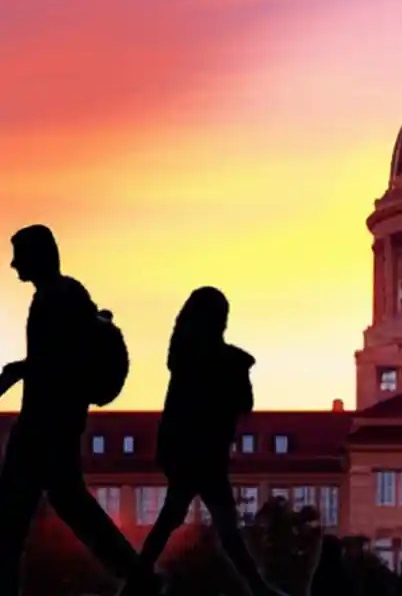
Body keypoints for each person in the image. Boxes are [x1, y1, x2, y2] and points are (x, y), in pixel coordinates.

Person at [0, 225, 153, 596]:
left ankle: (139, 575)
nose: (13, 263)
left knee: (13, 519)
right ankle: (139, 575)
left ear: (38, 256)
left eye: (19, 254)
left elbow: (59, 363)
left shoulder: (56, 298)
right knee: (64, 504)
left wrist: (21, 370)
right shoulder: (63, 294)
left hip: (45, 426)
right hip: (54, 422)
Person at [121, 287, 285, 596]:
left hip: (196, 456)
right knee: (216, 527)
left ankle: (136, 580)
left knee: (185, 522)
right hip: (201, 457)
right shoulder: (204, 361)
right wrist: (239, 367)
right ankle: (257, 587)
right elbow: (239, 403)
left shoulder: (187, 357)